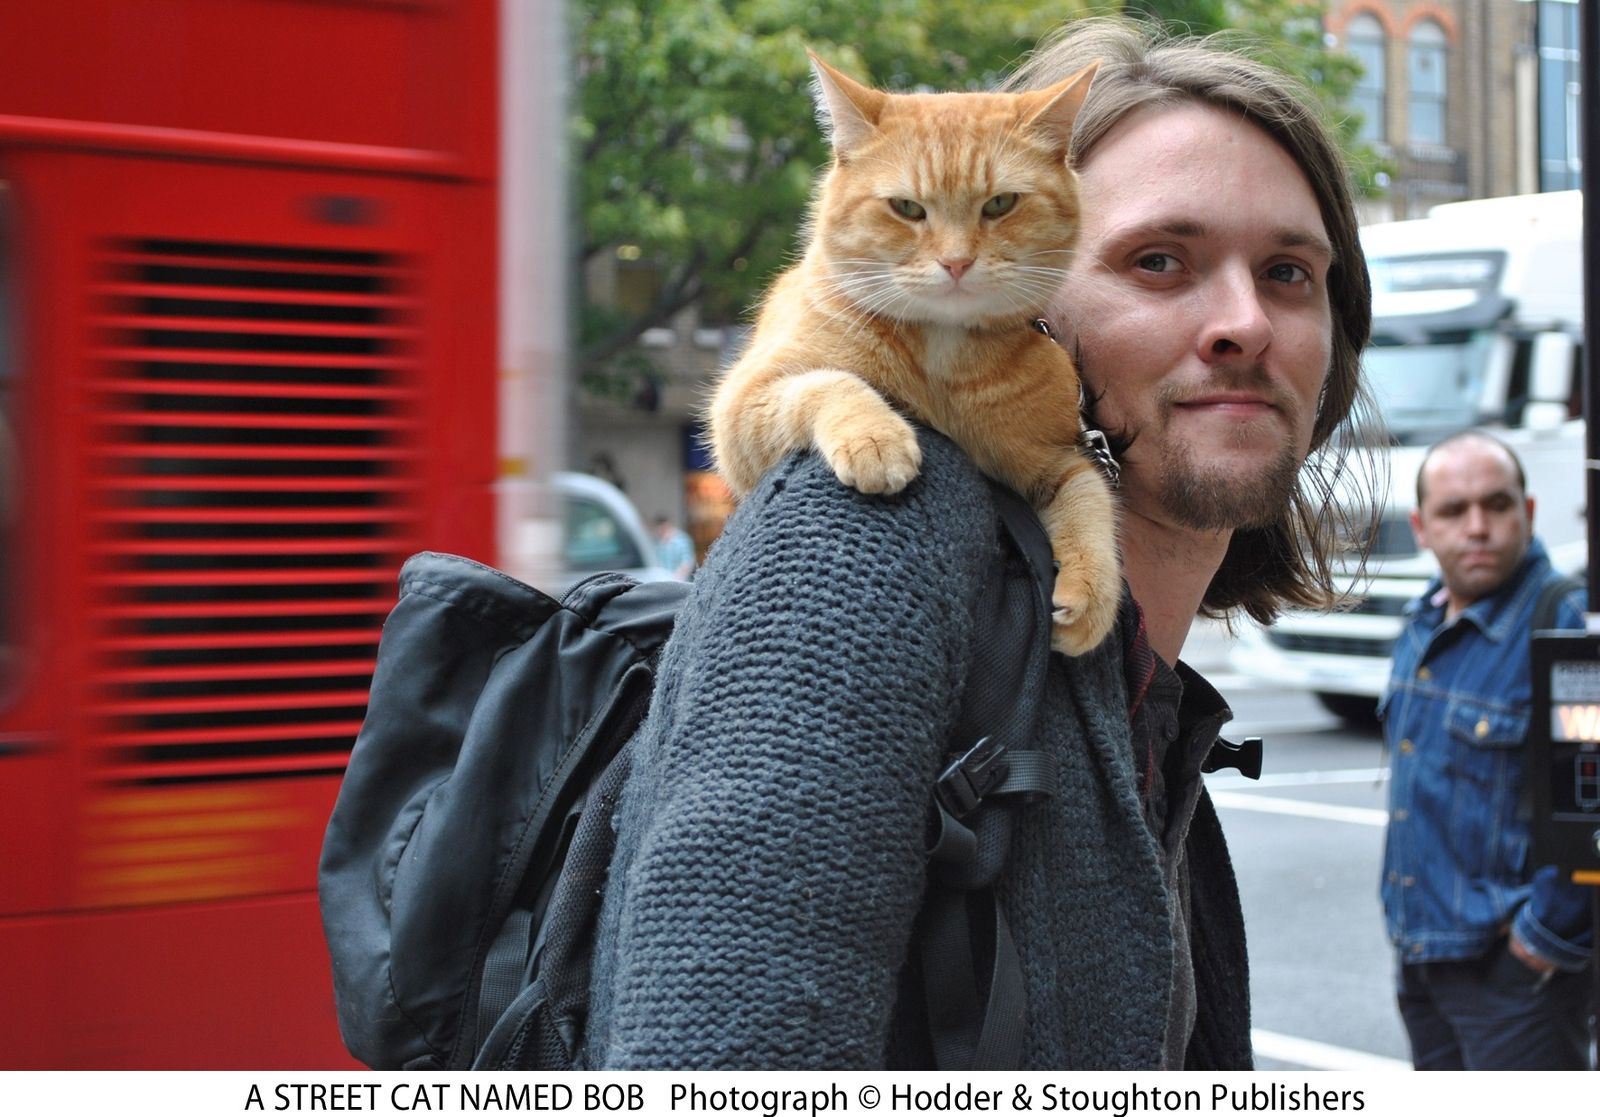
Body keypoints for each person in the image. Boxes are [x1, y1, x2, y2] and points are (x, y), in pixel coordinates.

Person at [583, 17, 1378, 1069]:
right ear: (1028, 305)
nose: (1244, 322)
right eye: (1157, 260)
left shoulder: (1148, 694)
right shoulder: (861, 549)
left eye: (1288, 274)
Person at [1380, 430, 1594, 1070]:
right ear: (1422, 527)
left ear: (1526, 513)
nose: (1477, 527)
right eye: (1453, 511)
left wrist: (1544, 940)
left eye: (1496, 505)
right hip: (1423, 959)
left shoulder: (1566, 625)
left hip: (1516, 979)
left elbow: (1594, 809)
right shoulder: (1422, 624)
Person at [652, 514, 696, 580]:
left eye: (661, 529)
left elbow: (687, 562)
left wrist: (676, 578)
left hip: (680, 582)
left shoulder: (682, 539)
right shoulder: (659, 542)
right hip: (664, 581)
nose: (659, 532)